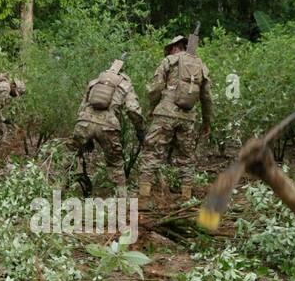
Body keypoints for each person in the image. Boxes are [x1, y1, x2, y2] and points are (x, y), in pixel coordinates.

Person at [138, 35, 212, 199]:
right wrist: (207, 122)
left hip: (165, 113)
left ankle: (144, 198)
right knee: (186, 157)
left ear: (173, 47)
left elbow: (155, 88)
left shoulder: (169, 61)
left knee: (152, 153)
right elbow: (207, 97)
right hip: (188, 118)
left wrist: (152, 108)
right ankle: (186, 197)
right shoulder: (201, 65)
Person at [71, 59, 144, 194]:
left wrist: (86, 135)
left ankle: (62, 190)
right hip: (108, 126)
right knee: (116, 164)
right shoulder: (125, 85)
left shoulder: (95, 82)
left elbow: (82, 108)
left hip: (84, 122)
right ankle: (121, 199)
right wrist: (140, 130)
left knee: (71, 155)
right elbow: (133, 110)